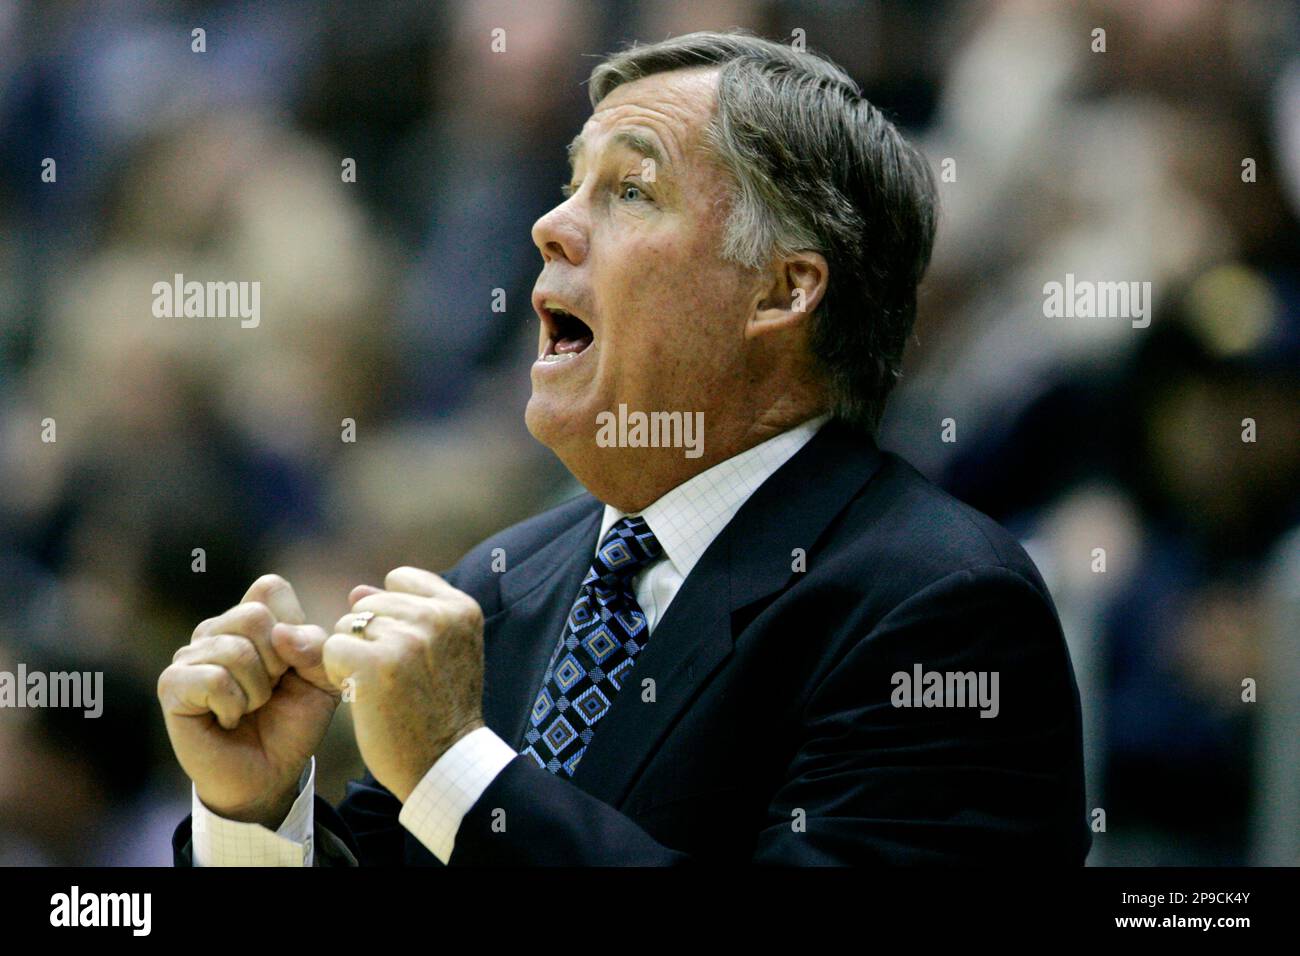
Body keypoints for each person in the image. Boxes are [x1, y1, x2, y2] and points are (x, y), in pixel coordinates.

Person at [158, 31, 1091, 866]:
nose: (551, 225)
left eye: (631, 191)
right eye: (571, 186)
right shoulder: (503, 582)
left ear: (782, 292)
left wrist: (459, 773)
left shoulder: (942, 607)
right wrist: (256, 812)